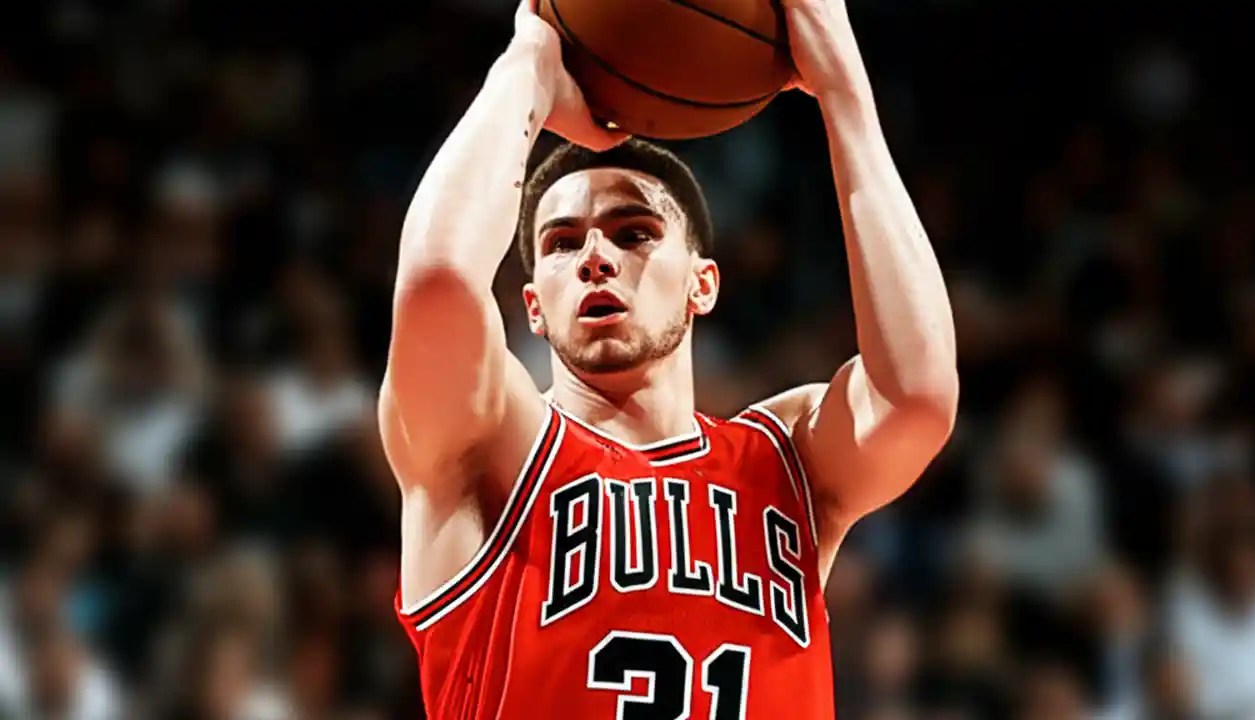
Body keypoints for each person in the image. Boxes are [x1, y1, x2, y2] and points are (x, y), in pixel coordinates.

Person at [378, 0, 957, 716]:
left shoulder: (783, 462)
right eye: (561, 243)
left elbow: (919, 397)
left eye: (634, 232)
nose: (595, 257)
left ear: (701, 283)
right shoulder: (493, 447)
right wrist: (526, 65)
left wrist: (846, 100)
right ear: (531, 306)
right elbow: (436, 280)